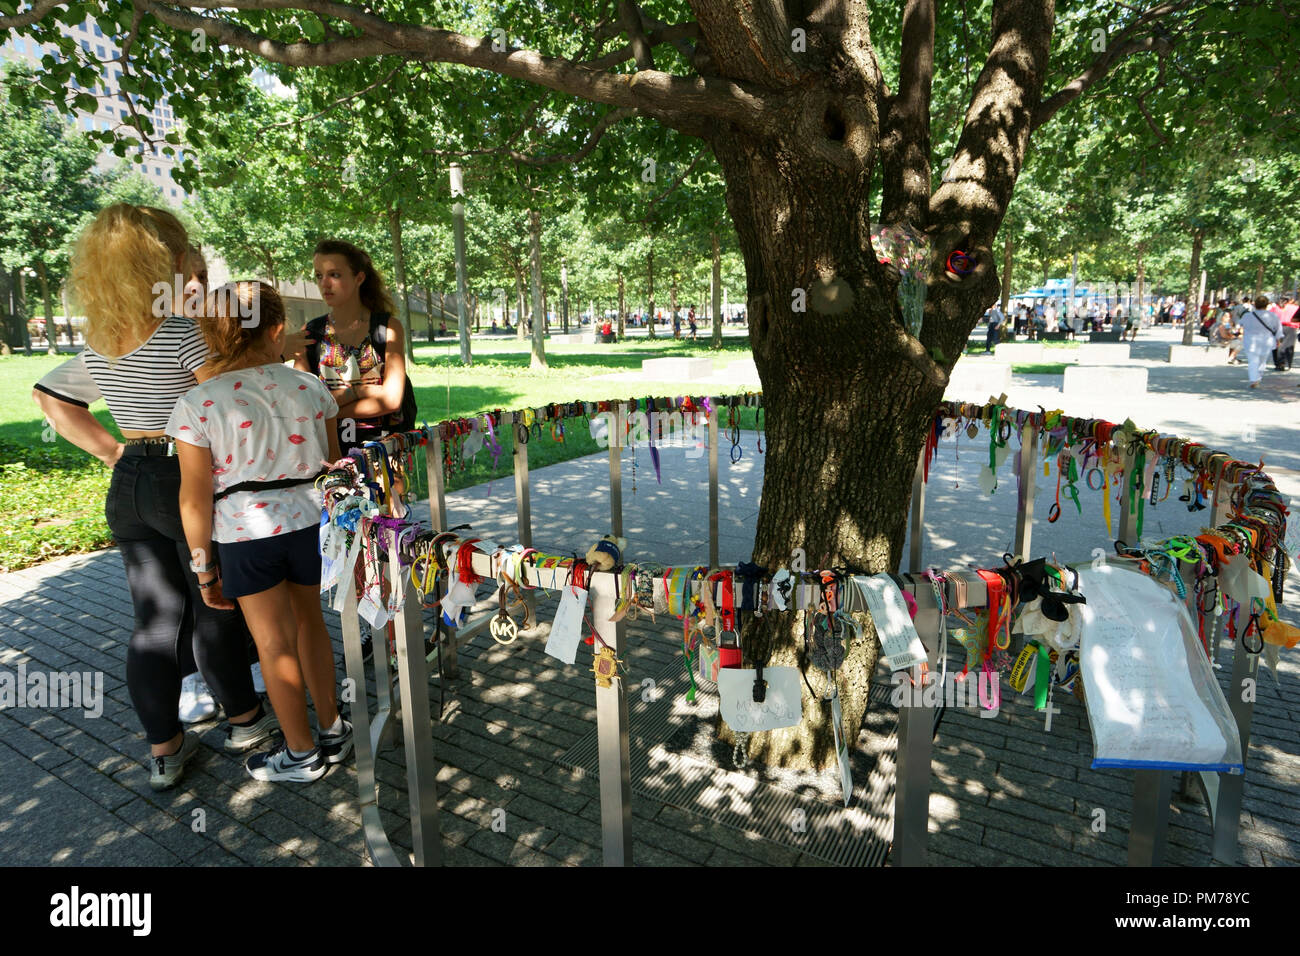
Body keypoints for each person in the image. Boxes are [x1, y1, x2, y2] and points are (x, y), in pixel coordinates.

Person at [31, 205, 270, 791]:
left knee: (154, 621)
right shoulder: (183, 333)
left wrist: (116, 452)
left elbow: (50, 396)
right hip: (184, 480)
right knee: (214, 600)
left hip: (131, 484)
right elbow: (228, 399)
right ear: (168, 260)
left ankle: (165, 749)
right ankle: (243, 720)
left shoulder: (104, 341)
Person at [170, 281, 351, 782]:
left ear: (212, 334)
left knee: (273, 645)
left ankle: (300, 753)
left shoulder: (197, 403)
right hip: (311, 525)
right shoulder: (311, 386)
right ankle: (334, 728)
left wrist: (203, 568)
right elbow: (333, 466)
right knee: (312, 625)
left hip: (245, 536)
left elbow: (193, 496)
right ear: (276, 329)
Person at [295, 240, 409, 456]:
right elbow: (306, 406)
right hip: (330, 456)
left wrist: (329, 408)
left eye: (334, 275)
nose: (324, 284)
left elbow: (392, 400)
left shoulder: (387, 328)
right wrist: (358, 391)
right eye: (319, 275)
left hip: (383, 456)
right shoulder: (310, 332)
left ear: (359, 278)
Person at [1239, 295, 1283, 389]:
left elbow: (1239, 325)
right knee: (1262, 361)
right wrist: (1278, 340)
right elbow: (1278, 329)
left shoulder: (1247, 315)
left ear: (1255, 304)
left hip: (1250, 341)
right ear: (1267, 305)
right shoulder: (1273, 316)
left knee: (1253, 361)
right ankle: (1258, 378)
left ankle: (1254, 379)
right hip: (1266, 342)